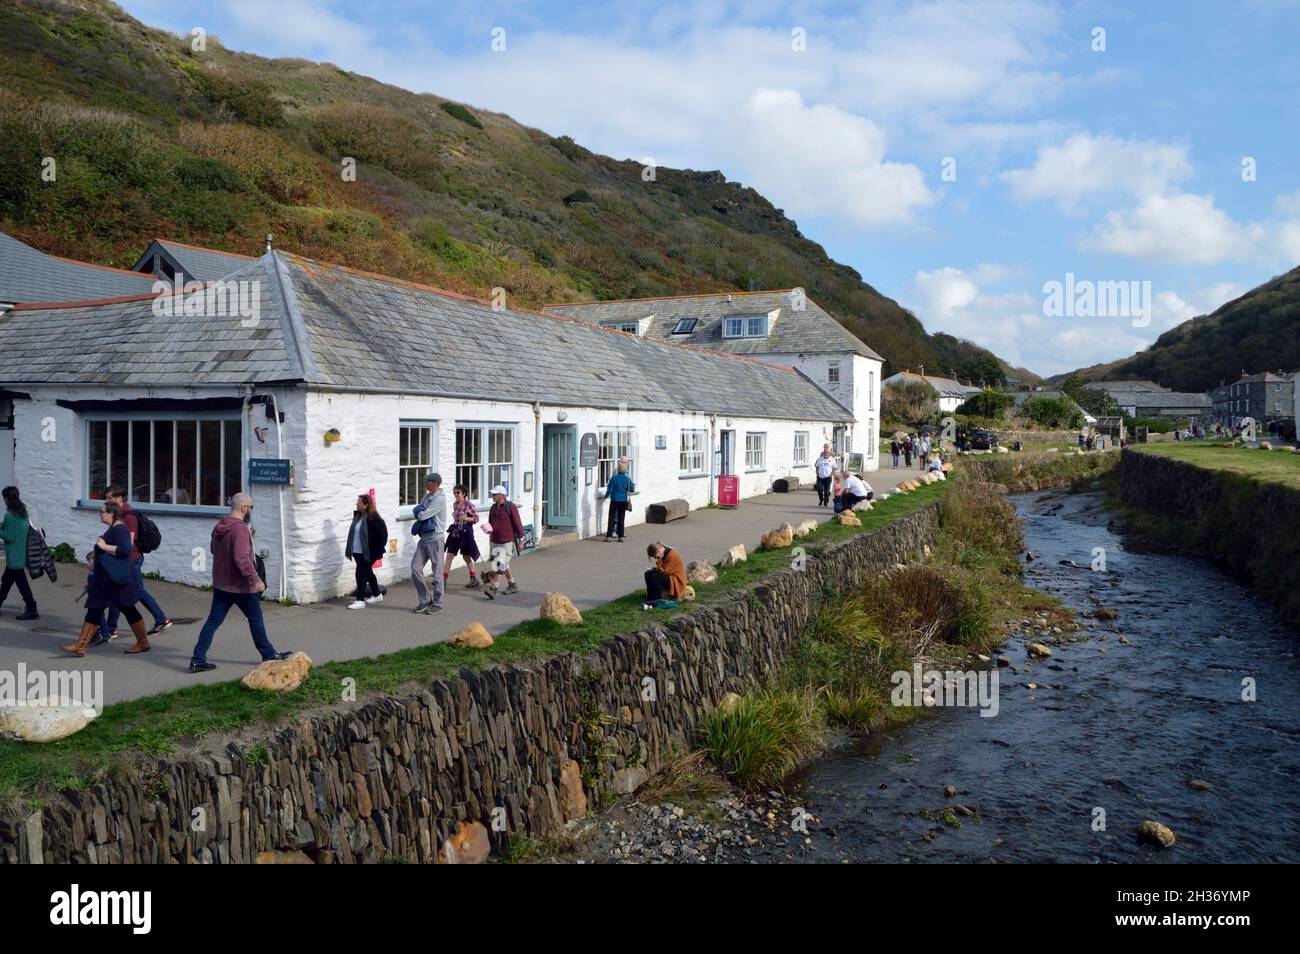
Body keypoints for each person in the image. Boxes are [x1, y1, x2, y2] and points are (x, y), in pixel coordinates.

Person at [186, 493, 291, 672]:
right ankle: (268, 654)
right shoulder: (240, 529)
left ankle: (197, 659)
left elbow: (214, 549)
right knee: (255, 619)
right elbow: (242, 558)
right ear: (244, 508)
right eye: (250, 507)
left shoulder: (220, 525)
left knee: (213, 621)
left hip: (221, 584)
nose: (250, 510)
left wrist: (243, 538)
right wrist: (256, 580)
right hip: (241, 586)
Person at [63, 501, 151, 655]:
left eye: (102, 511)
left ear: (112, 513)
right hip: (107, 580)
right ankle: (80, 645)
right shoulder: (113, 529)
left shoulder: (120, 529)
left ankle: (143, 642)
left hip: (116, 580)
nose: (100, 514)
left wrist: (103, 547)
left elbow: (125, 550)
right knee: (95, 609)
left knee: (128, 609)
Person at [104, 485, 173, 637]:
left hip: (131, 560)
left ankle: (160, 620)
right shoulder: (119, 513)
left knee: (135, 591)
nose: (107, 501)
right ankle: (111, 628)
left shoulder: (128, 516)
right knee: (120, 592)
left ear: (120, 498)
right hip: (126, 560)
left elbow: (127, 543)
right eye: (107, 498)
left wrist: (107, 548)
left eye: (110, 498)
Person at [409, 472, 447, 615]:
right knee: (415, 569)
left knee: (437, 574)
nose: (425, 483)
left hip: (435, 539)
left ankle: (438, 603)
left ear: (435, 483)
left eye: (427, 481)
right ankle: (425, 600)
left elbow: (422, 514)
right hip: (423, 539)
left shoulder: (440, 499)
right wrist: (419, 510)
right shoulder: (427, 496)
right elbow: (419, 510)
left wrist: (419, 511)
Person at [0, 486, 39, 620]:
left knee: (20, 584)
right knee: (6, 580)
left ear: (6, 498)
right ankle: (32, 608)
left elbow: (9, 536)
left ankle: (32, 608)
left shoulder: (9, 515)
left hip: (13, 556)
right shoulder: (23, 513)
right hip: (21, 553)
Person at [480, 485, 524, 598]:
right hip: (495, 540)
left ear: (502, 495)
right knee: (504, 563)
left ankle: (493, 588)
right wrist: (488, 530)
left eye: (495, 494)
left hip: (506, 541)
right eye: (493, 494)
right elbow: (491, 522)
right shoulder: (493, 507)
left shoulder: (511, 507)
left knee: (500, 564)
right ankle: (512, 584)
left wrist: (521, 540)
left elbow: (518, 524)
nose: (493, 496)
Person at [346, 494, 388, 609]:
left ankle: (360, 600)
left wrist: (375, 550)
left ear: (365, 505)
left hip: (369, 553)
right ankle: (376, 594)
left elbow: (383, 535)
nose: (356, 504)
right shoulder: (358, 517)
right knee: (367, 572)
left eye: (359, 502)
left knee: (360, 573)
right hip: (357, 551)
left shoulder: (374, 518)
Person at [444, 483, 481, 591]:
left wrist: (467, 518)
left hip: (465, 533)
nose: (456, 494)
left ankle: (473, 578)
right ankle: (443, 580)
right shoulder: (455, 504)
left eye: (458, 492)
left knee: (466, 556)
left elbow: (476, 518)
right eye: (454, 493)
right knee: (449, 555)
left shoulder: (468, 504)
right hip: (455, 533)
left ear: (464, 493)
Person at [74, 550, 115, 646]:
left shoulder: (97, 574)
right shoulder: (93, 573)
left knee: (95, 617)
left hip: (96, 600)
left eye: (89, 561)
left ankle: (103, 635)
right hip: (94, 599)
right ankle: (100, 634)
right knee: (97, 616)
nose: (86, 564)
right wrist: (80, 597)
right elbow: (87, 588)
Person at [643, 541, 686, 608]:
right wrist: (654, 569)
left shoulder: (672, 555)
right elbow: (662, 570)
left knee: (654, 576)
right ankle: (650, 598)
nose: (655, 558)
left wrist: (659, 562)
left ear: (658, 551)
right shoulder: (664, 553)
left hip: (676, 580)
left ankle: (657, 599)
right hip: (669, 576)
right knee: (647, 574)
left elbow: (665, 571)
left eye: (655, 556)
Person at [604, 460, 635, 540]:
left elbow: (609, 490)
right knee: (621, 518)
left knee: (611, 518)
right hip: (623, 501)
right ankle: (621, 536)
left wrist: (605, 496)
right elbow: (632, 489)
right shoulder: (627, 479)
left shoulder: (614, 478)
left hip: (614, 500)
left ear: (618, 469)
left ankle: (609, 536)